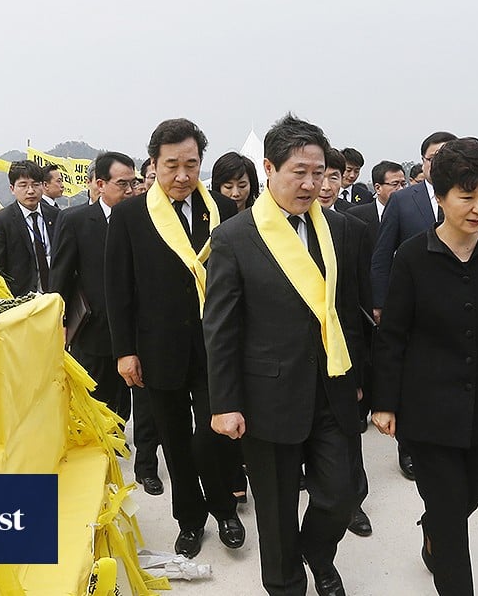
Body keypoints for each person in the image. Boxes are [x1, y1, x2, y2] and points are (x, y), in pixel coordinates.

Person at [204, 114, 364, 596]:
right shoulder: (235, 237)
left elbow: (347, 311)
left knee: (342, 493)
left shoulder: (337, 230)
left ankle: (317, 551)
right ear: (269, 168)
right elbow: (220, 327)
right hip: (266, 394)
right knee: (274, 512)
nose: (311, 183)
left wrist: (360, 375)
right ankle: (286, 584)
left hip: (331, 386)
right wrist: (224, 403)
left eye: (319, 173)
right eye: (300, 171)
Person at [371, 138, 478, 596]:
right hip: (427, 408)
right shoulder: (412, 257)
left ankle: (432, 527)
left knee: (474, 491)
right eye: (467, 197)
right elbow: (393, 337)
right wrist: (384, 402)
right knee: (449, 517)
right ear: (440, 197)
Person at [105, 118, 242, 558]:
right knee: (175, 440)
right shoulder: (130, 215)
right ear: (154, 164)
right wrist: (125, 352)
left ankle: (225, 510)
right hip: (157, 349)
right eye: (171, 165)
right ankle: (189, 519)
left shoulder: (221, 209)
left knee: (214, 436)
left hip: (214, 348)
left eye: (191, 164)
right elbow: (117, 289)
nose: (182, 175)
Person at [371, 131, 459, 481]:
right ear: (422, 162)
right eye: (433, 157)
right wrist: (379, 302)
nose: (439, 162)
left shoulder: (470, 198)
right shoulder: (404, 201)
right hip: (411, 304)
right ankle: (408, 447)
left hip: (458, 305)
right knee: (411, 375)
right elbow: (381, 255)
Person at [51, 152, 137, 422]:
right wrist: (60, 321)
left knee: (127, 404)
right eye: (122, 184)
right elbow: (60, 276)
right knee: (97, 403)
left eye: (133, 183)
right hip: (94, 331)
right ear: (100, 185)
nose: (130, 190)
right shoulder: (76, 221)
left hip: (136, 330)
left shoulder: (142, 218)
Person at [318, 147, 376, 539]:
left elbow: (358, 305)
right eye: (318, 175)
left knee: (347, 436)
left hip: (341, 355)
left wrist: (360, 370)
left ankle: (354, 502)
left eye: (333, 177)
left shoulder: (352, 231)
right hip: (289, 360)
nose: (324, 186)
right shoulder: (266, 231)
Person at [0, 160, 59, 296]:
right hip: (22, 300)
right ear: (12, 189)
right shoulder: (1, 221)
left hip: (56, 297)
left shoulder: (56, 215)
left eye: (35, 185)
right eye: (23, 185)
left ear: (43, 186)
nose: (30, 191)